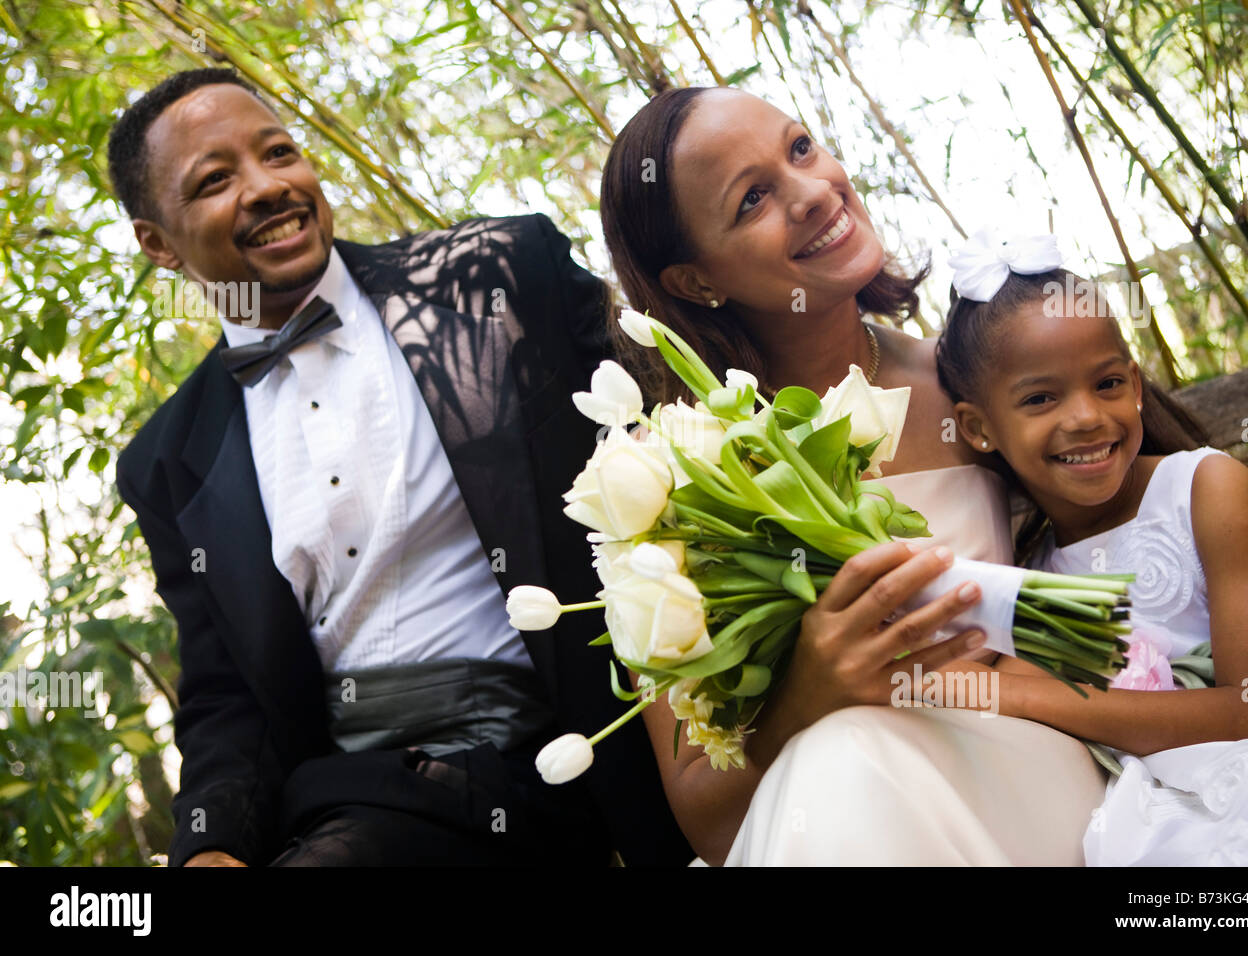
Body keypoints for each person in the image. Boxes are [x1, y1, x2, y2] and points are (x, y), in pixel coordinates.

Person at [107, 68, 690, 866]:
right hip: (363, 797)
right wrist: (210, 848)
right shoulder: (167, 460)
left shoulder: (498, 275)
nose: (268, 186)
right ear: (157, 242)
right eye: (215, 180)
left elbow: (673, 420)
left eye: (279, 153)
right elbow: (226, 697)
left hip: (588, 747)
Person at [599, 85, 1109, 866]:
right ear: (694, 282)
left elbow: (1166, 510)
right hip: (822, 807)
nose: (811, 193)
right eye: (753, 199)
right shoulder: (668, 479)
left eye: (800, 148)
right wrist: (807, 695)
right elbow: (706, 822)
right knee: (841, 762)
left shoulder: (977, 384)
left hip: (1024, 771)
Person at [934, 251, 1248, 864]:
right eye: (1040, 399)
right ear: (977, 428)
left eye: (1107, 384)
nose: (1085, 418)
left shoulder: (1208, 490)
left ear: (1134, 383)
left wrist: (1004, 692)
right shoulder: (1043, 582)